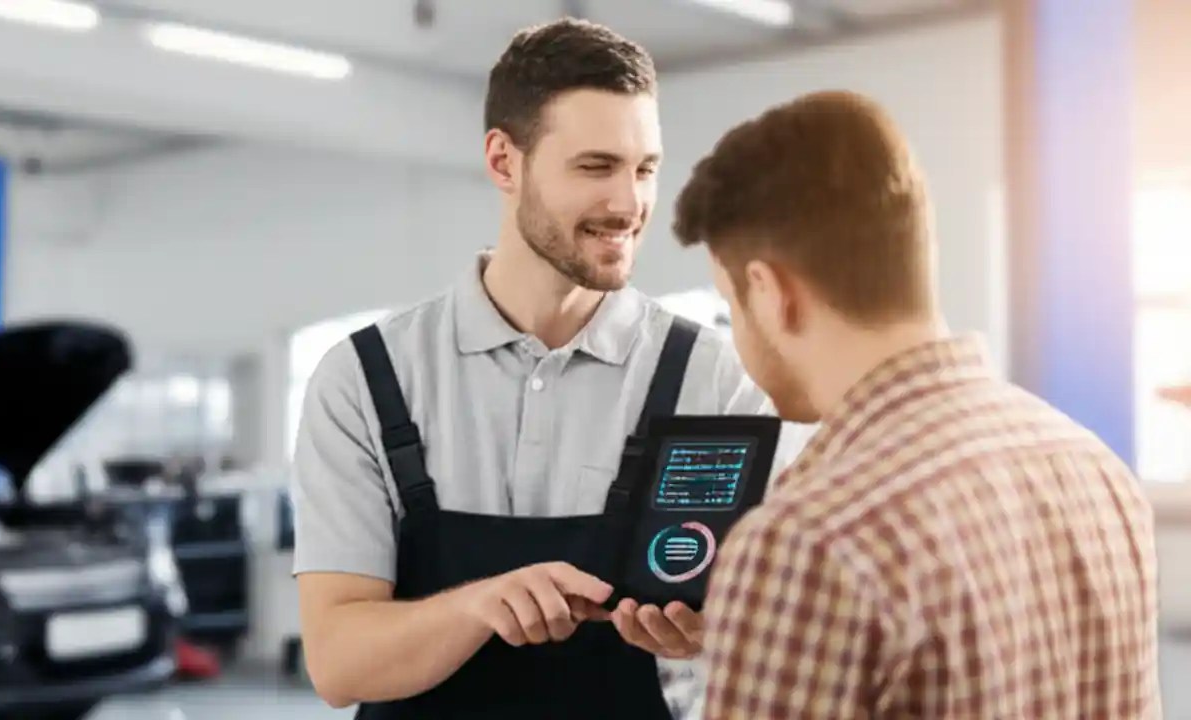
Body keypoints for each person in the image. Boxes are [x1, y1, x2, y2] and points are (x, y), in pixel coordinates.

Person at [290, 19, 805, 719]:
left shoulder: (712, 379)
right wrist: (479, 605)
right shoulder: (365, 380)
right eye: (596, 167)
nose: (629, 204)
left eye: (645, 169)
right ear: (505, 162)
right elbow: (337, 662)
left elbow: (773, 625)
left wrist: (719, 633)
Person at [672, 90, 1162, 718]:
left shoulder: (809, 540)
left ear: (771, 295)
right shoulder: (1095, 469)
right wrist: (759, 635)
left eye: (731, 303)